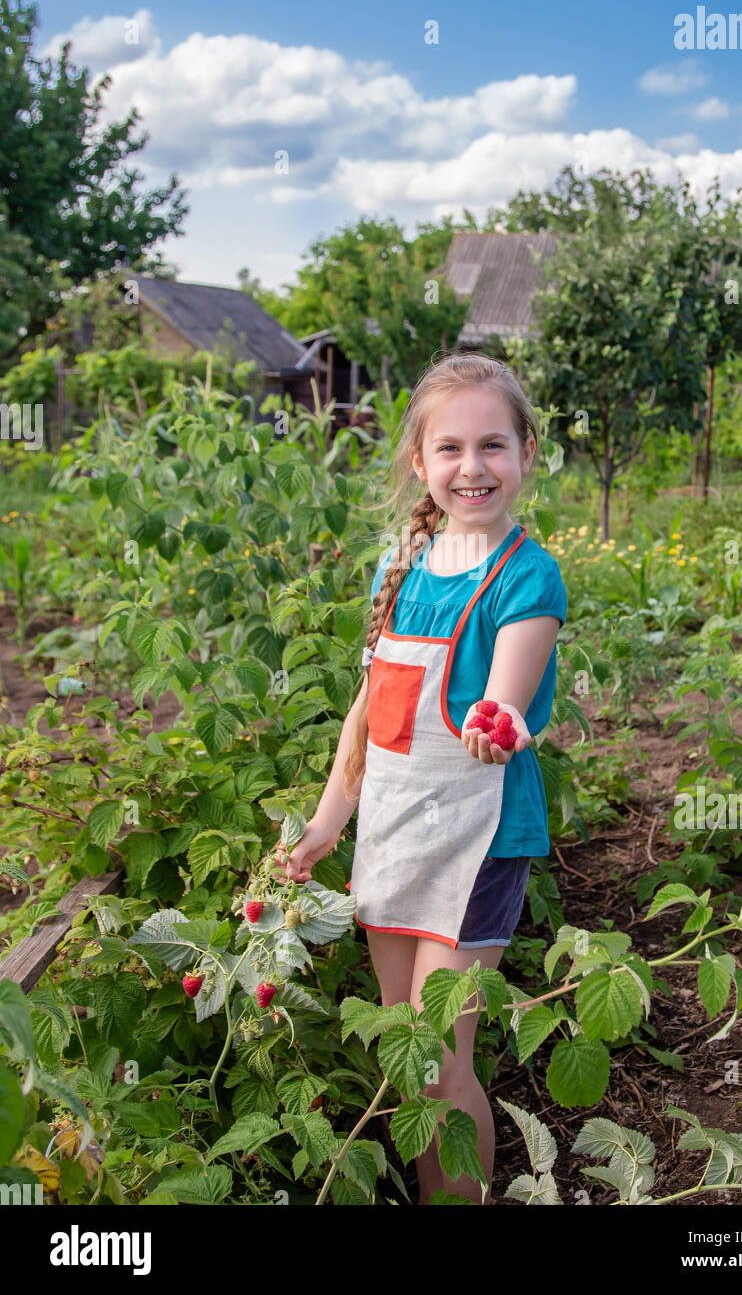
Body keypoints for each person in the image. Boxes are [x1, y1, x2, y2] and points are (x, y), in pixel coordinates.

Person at [271, 352, 567, 1204]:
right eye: (450, 449)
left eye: (492, 445)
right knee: (400, 1040)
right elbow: (368, 718)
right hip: (397, 829)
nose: (471, 467)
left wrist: (498, 726)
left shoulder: (526, 577)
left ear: (526, 453)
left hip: (479, 837)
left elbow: (505, 698)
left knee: (441, 1056)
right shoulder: (400, 568)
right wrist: (328, 823)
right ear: (419, 462)